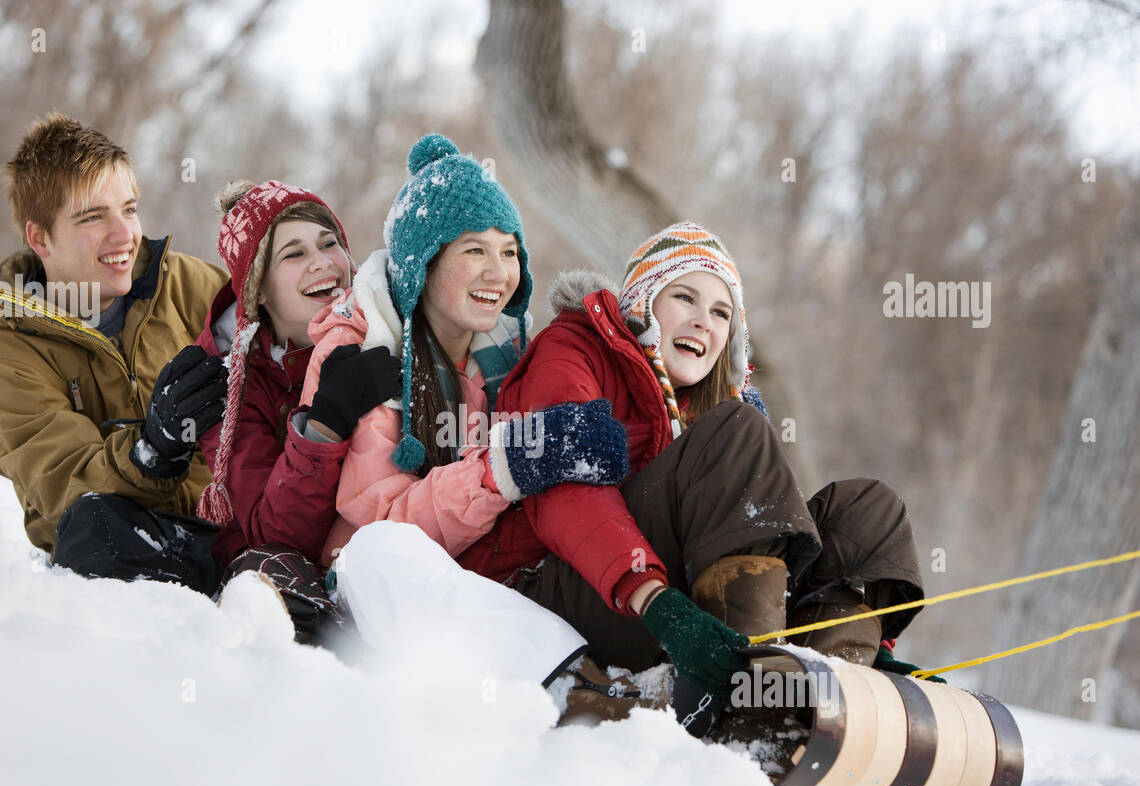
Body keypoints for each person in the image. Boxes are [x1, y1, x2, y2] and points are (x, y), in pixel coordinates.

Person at [495, 222, 938, 736]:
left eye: (721, 312)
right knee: (737, 432)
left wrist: (866, 638)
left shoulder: (717, 411)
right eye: (685, 297)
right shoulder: (576, 347)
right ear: (642, 300)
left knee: (867, 508)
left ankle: (832, 683)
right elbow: (563, 497)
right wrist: (656, 602)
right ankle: (746, 705)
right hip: (572, 589)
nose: (703, 322)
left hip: (673, 598)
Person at [297, 133, 630, 699]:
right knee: (383, 553)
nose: (499, 272)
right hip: (382, 584)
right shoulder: (361, 351)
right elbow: (383, 524)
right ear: (423, 264)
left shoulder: (509, 349)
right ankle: (570, 687)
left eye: (508, 251)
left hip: (491, 562)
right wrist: (505, 467)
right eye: (475, 250)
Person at [0, 113, 229, 594]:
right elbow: (66, 485)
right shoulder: (6, 352)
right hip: (126, 552)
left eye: (129, 210)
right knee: (91, 523)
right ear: (39, 237)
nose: (123, 235)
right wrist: (156, 449)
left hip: (233, 529)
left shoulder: (193, 288)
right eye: (92, 217)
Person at [193, 179, 400, 640]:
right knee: (275, 574)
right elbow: (275, 535)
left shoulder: (385, 328)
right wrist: (326, 423)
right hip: (286, 574)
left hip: (385, 543)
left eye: (329, 243)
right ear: (258, 291)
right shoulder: (229, 382)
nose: (322, 262)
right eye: (294, 254)